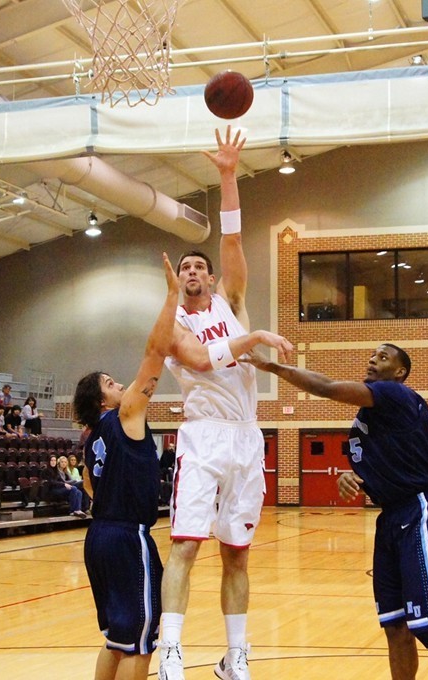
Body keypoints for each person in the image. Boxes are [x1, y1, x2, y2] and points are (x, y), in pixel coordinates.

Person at [243, 343, 428, 680]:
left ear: (400, 372)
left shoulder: (395, 394)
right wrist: (357, 478)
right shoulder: (374, 416)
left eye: (383, 357)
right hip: (391, 518)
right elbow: (395, 461)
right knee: (395, 627)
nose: (372, 359)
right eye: (372, 355)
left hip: (420, 511)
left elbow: (325, 387)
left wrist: (274, 368)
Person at [159, 127, 294, 680]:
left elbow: (233, 242)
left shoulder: (230, 301)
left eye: (199, 267)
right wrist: (254, 338)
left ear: (211, 277)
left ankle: (235, 658)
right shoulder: (171, 323)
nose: (193, 271)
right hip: (203, 435)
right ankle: (172, 650)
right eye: (184, 268)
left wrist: (229, 177)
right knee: (187, 546)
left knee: (236, 552)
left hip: (246, 434)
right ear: (176, 280)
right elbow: (197, 361)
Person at [72, 251, 179, 680]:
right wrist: (171, 298)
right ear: (104, 400)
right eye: (112, 384)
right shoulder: (125, 416)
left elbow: (89, 485)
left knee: (117, 639)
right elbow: (154, 355)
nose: (122, 386)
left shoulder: (91, 437)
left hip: (99, 535)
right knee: (141, 641)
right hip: (125, 536)